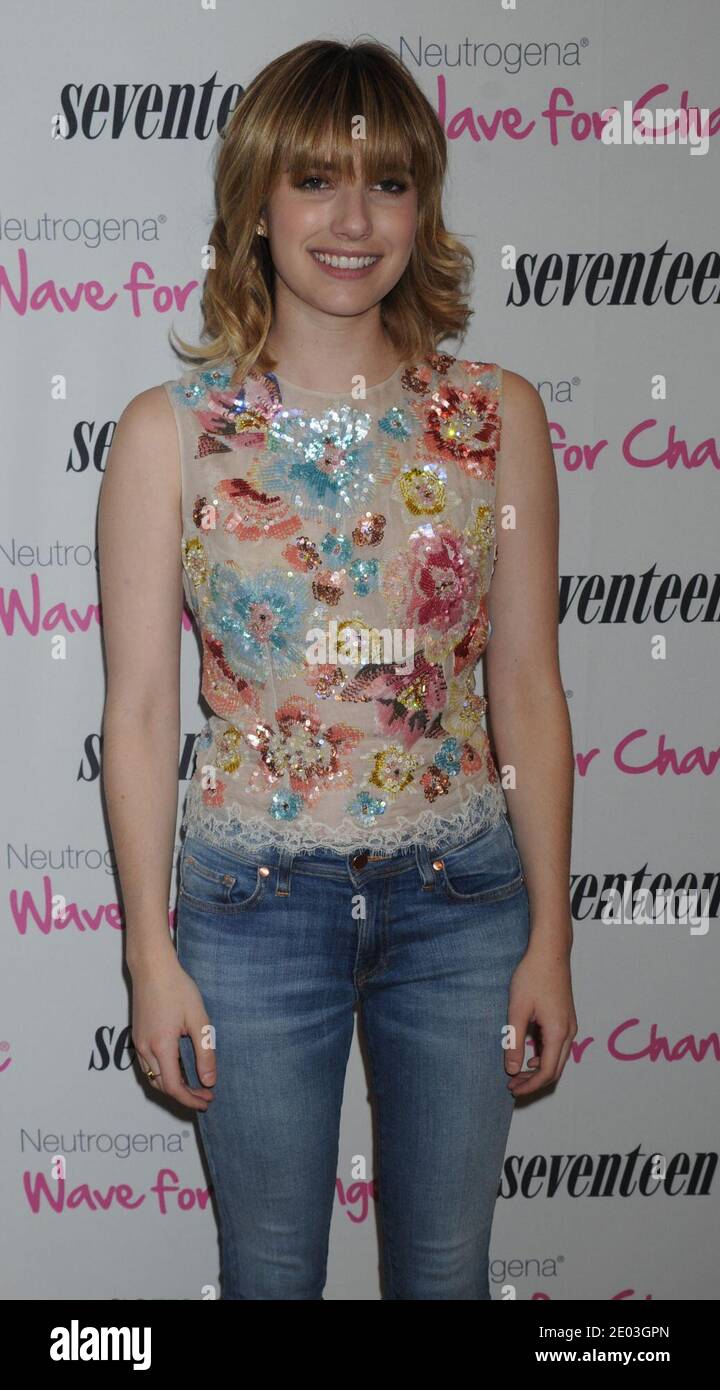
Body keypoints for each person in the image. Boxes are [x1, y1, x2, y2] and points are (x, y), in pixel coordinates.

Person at [98, 37, 577, 1301]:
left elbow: (526, 686)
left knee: (444, 1273)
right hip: (248, 911)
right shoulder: (171, 434)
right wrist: (150, 952)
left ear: (425, 205)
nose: (353, 219)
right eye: (316, 180)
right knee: (266, 1279)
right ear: (257, 202)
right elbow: (141, 716)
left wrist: (552, 938)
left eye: (389, 182)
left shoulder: (496, 416)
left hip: (465, 903)